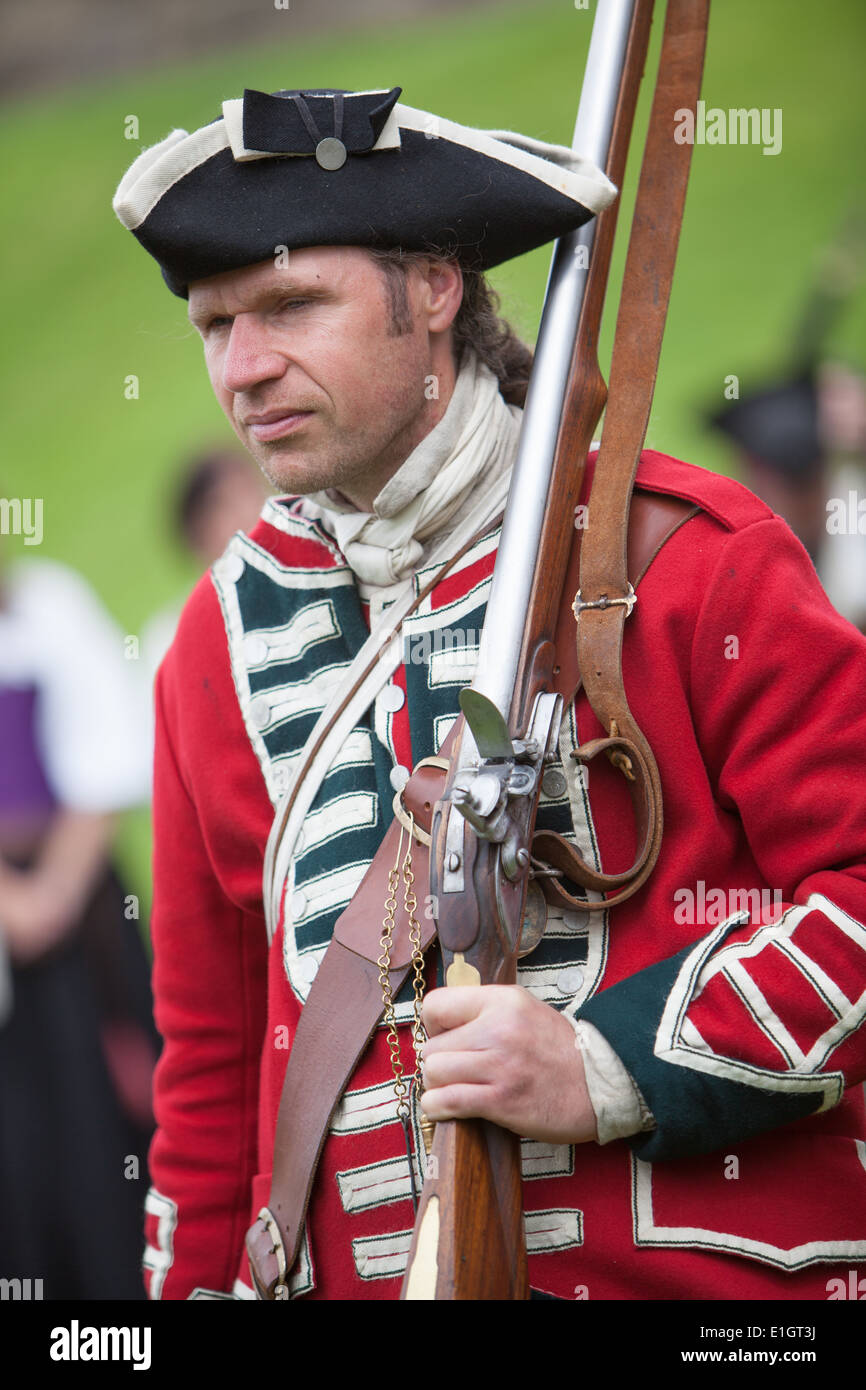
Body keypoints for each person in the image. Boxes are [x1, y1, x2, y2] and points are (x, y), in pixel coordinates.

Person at [113, 85, 866, 1301]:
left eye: (292, 305)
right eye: (213, 327)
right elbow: (206, 1084)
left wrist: (606, 1066)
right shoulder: (213, 647)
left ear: (434, 291)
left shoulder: (683, 556)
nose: (244, 369)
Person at [0, 547, 158, 1299]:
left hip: (78, 918)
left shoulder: (45, 605)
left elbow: (105, 750)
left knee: (107, 1127)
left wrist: (52, 892)